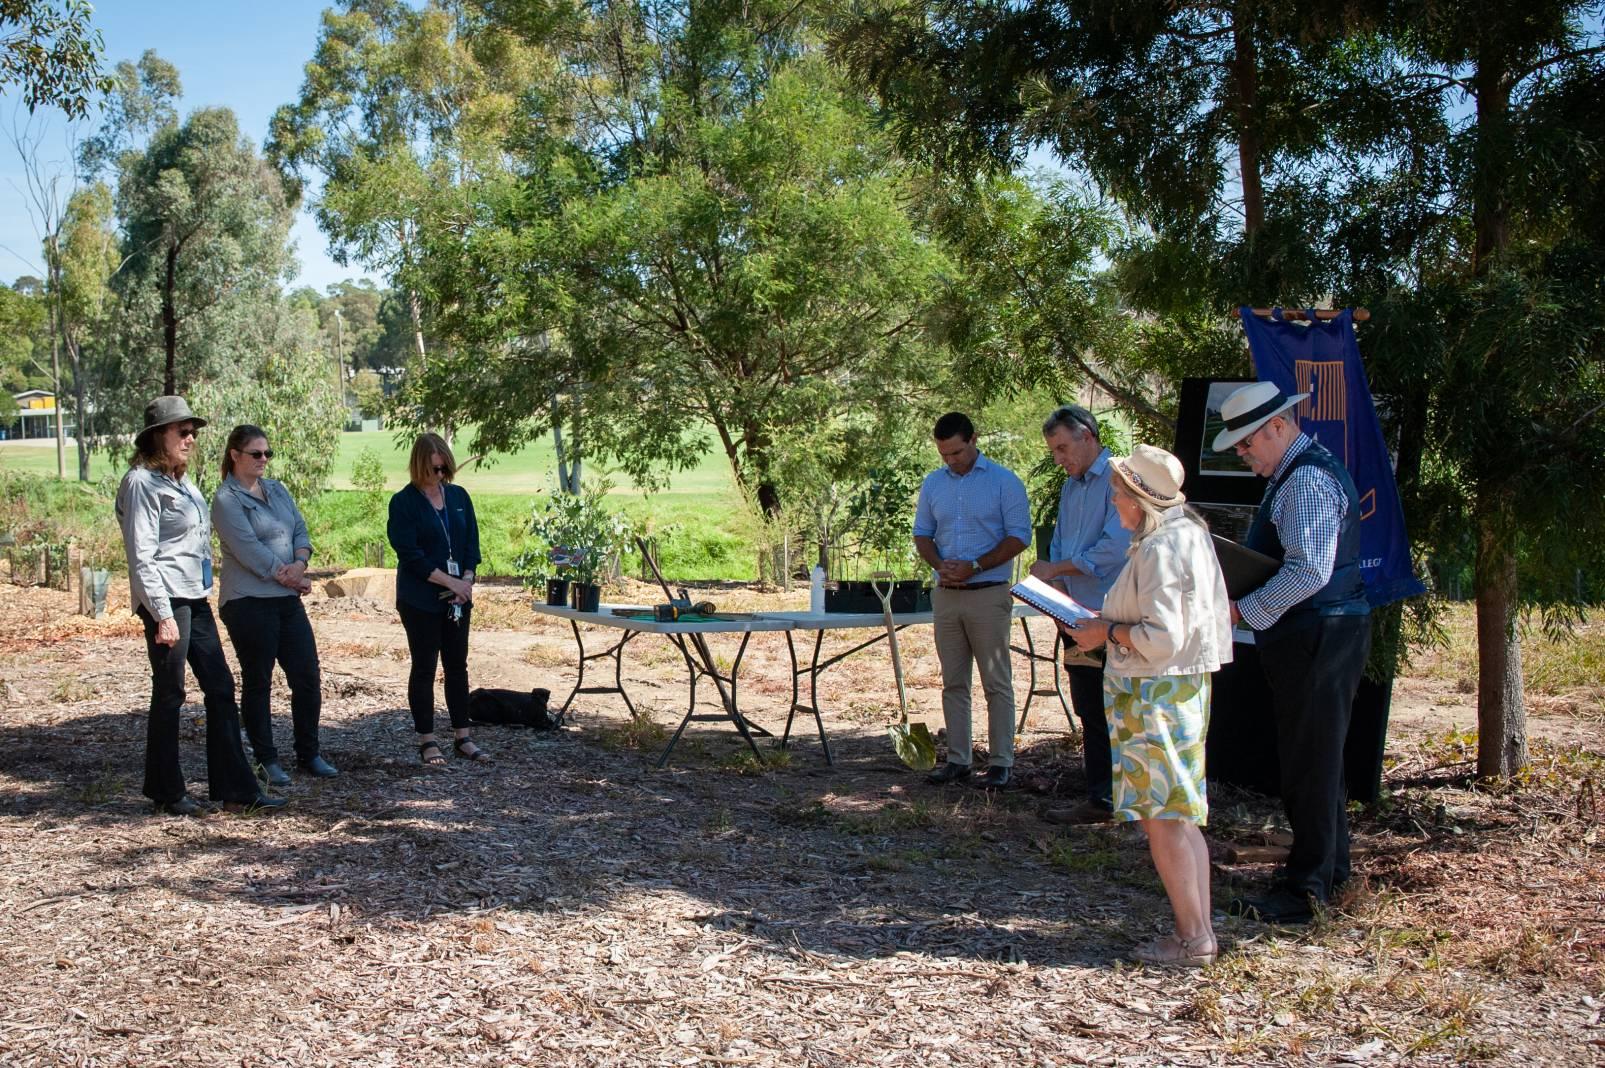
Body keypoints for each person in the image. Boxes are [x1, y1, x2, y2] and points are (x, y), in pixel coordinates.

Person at [1063, 444, 1232, 967]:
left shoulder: (1161, 547)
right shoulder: (1189, 534)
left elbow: (1161, 635)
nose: (1114, 501)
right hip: (1174, 689)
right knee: (1179, 815)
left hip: (1155, 693)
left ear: (1141, 499)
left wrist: (1102, 631)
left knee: (1164, 819)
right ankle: (1198, 930)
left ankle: (1192, 939)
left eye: (1119, 492)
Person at [1212, 381, 1372, 923]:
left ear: (1277, 426)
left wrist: (1240, 612)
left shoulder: (1305, 481)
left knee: (1311, 763)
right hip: (1317, 631)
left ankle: (1306, 891)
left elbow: (1309, 570)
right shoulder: (1297, 473)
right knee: (1316, 761)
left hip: (1317, 633)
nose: (1242, 454)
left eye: (1245, 443)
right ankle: (1329, 874)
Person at [115, 396, 287, 816]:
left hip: (194, 596)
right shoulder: (141, 482)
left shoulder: (181, 481)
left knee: (221, 687)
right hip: (167, 600)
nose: (190, 439)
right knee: (171, 693)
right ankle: (166, 791)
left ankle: (236, 790)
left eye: (192, 432)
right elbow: (142, 555)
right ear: (159, 435)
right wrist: (161, 614)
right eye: (182, 432)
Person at [212, 425, 338, 785]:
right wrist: (289, 577)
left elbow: (300, 528)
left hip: (286, 599)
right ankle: (266, 759)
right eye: (256, 454)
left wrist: (300, 564)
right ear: (235, 455)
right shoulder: (226, 499)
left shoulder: (277, 490)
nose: (264, 460)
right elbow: (247, 548)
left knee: (307, 675)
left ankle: (309, 753)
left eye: (268, 453)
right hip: (248, 602)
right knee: (259, 681)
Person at [912, 412, 1031, 789]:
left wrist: (976, 566)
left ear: (974, 439)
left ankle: (1000, 762)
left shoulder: (1004, 482)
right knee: (953, 681)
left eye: (958, 452)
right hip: (947, 595)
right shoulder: (934, 484)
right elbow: (922, 534)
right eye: (945, 454)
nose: (952, 461)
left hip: (988, 594)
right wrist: (940, 566)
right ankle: (958, 758)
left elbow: (1019, 537)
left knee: (996, 680)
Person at [1028, 405, 1133, 822]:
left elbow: (1113, 548)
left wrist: (1057, 570)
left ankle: (1129, 801)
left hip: (1111, 616)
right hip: (1073, 615)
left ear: (1088, 436)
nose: (1059, 459)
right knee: (1088, 706)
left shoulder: (1119, 480)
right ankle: (1099, 798)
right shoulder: (1071, 486)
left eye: (1063, 448)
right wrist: (1055, 592)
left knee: (1118, 707)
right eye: (1054, 451)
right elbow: (1060, 545)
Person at [387, 432, 488, 765]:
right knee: (425, 667)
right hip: (421, 599)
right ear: (419, 467)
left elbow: (471, 545)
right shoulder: (403, 503)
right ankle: (427, 739)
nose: (440, 476)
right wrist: (451, 582)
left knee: (457, 666)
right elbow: (411, 555)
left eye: (444, 469)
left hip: (458, 597)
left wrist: (467, 582)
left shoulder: (459, 496)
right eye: (433, 469)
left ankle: (463, 735)